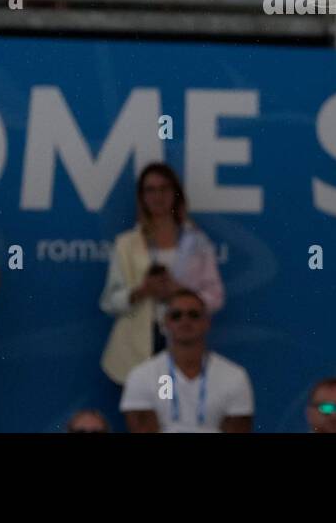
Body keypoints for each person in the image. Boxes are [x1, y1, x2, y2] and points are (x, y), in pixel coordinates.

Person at [100, 162, 224, 386]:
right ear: (142, 197)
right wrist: (143, 290)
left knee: (179, 412)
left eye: (164, 188)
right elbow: (109, 301)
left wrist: (179, 292)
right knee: (141, 415)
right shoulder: (127, 244)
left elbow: (215, 297)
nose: (158, 196)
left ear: (175, 193)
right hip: (137, 346)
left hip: (181, 340)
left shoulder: (197, 242)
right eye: (150, 190)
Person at [119, 289, 254, 432]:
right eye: (176, 315)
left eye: (193, 315)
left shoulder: (234, 376)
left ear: (207, 322)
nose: (185, 320)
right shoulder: (141, 376)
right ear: (165, 322)